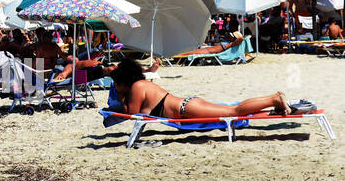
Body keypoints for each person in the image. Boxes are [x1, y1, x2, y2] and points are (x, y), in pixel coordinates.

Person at [110, 59, 291, 119]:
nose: (115, 87)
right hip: (187, 105)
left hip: (186, 108)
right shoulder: (142, 85)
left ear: (123, 81)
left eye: (116, 83)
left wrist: (119, 96)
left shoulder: (136, 87)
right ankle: (273, 102)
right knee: (233, 110)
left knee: (233, 111)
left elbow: (132, 115)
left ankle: (274, 99)